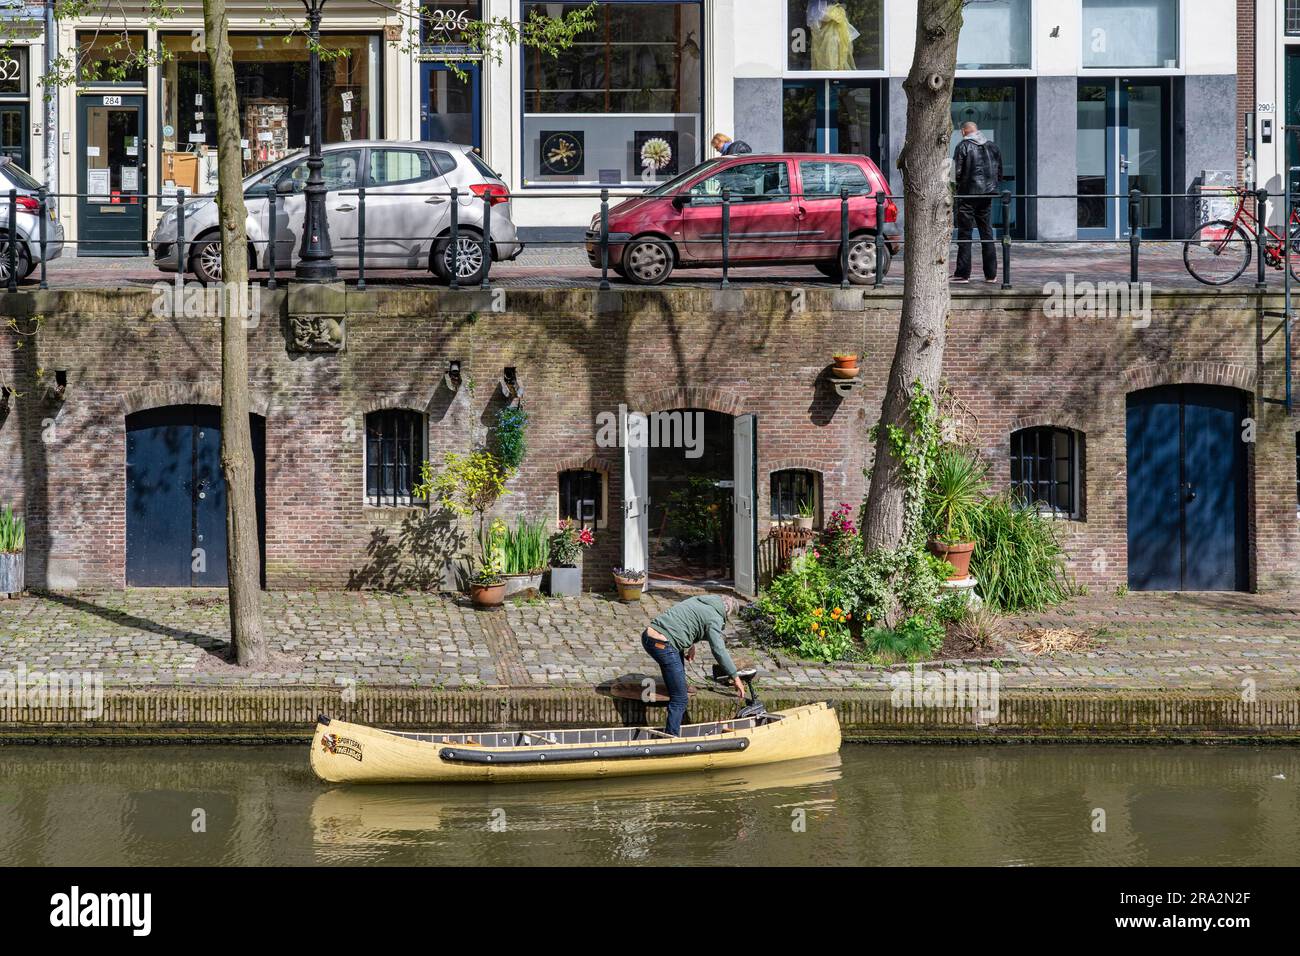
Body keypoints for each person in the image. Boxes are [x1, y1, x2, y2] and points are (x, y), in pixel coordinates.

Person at [641, 594, 745, 736]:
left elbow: (685, 621)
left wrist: (690, 644)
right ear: (727, 612)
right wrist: (735, 677)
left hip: (648, 636)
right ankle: (671, 739)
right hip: (663, 645)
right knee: (680, 698)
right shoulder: (715, 618)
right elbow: (719, 650)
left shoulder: (699, 600)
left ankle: (673, 724)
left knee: (679, 686)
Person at [952, 121, 1003, 283]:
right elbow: (999, 172)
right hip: (987, 194)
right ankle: (991, 274)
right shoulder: (993, 146)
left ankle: (962, 273)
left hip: (968, 194)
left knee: (965, 233)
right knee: (986, 231)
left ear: (963, 131)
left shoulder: (963, 146)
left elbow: (956, 173)